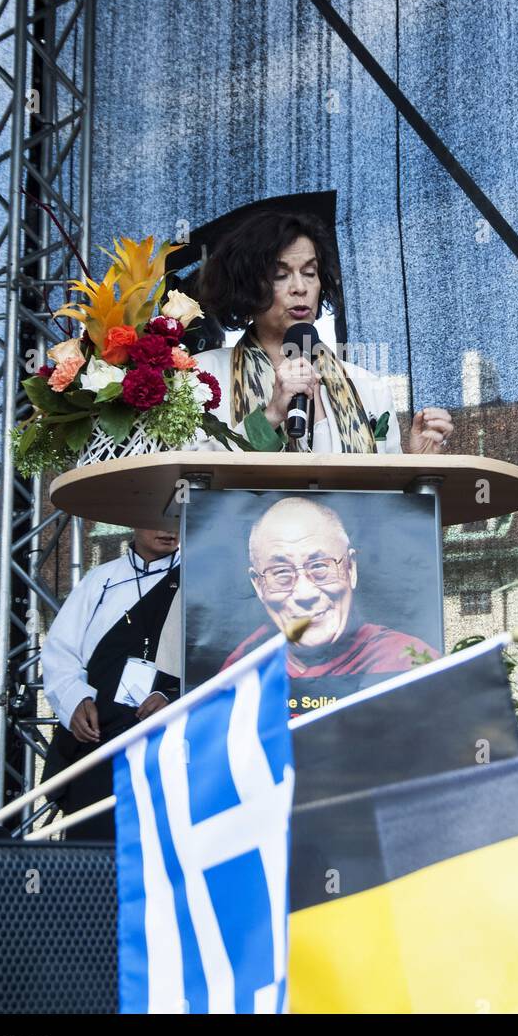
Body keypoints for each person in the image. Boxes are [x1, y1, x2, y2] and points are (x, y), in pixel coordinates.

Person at [192, 209, 453, 454]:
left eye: (309, 272)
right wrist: (270, 416)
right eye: (280, 275)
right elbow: (189, 478)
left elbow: (384, 494)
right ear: (246, 286)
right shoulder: (202, 377)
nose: (300, 287)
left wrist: (420, 465)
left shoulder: (369, 388)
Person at [220, 497, 439, 701]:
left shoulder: (406, 659)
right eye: (281, 573)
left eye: (319, 567)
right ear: (258, 585)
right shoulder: (241, 670)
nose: (306, 594)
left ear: (350, 568)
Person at [41, 526, 181, 840]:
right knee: (93, 857)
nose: (168, 530)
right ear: (134, 521)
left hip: (167, 747)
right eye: (157, 519)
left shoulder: (199, 581)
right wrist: (75, 698)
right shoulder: (99, 580)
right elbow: (59, 651)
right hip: (99, 741)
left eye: (175, 519)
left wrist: (174, 696)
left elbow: (214, 658)